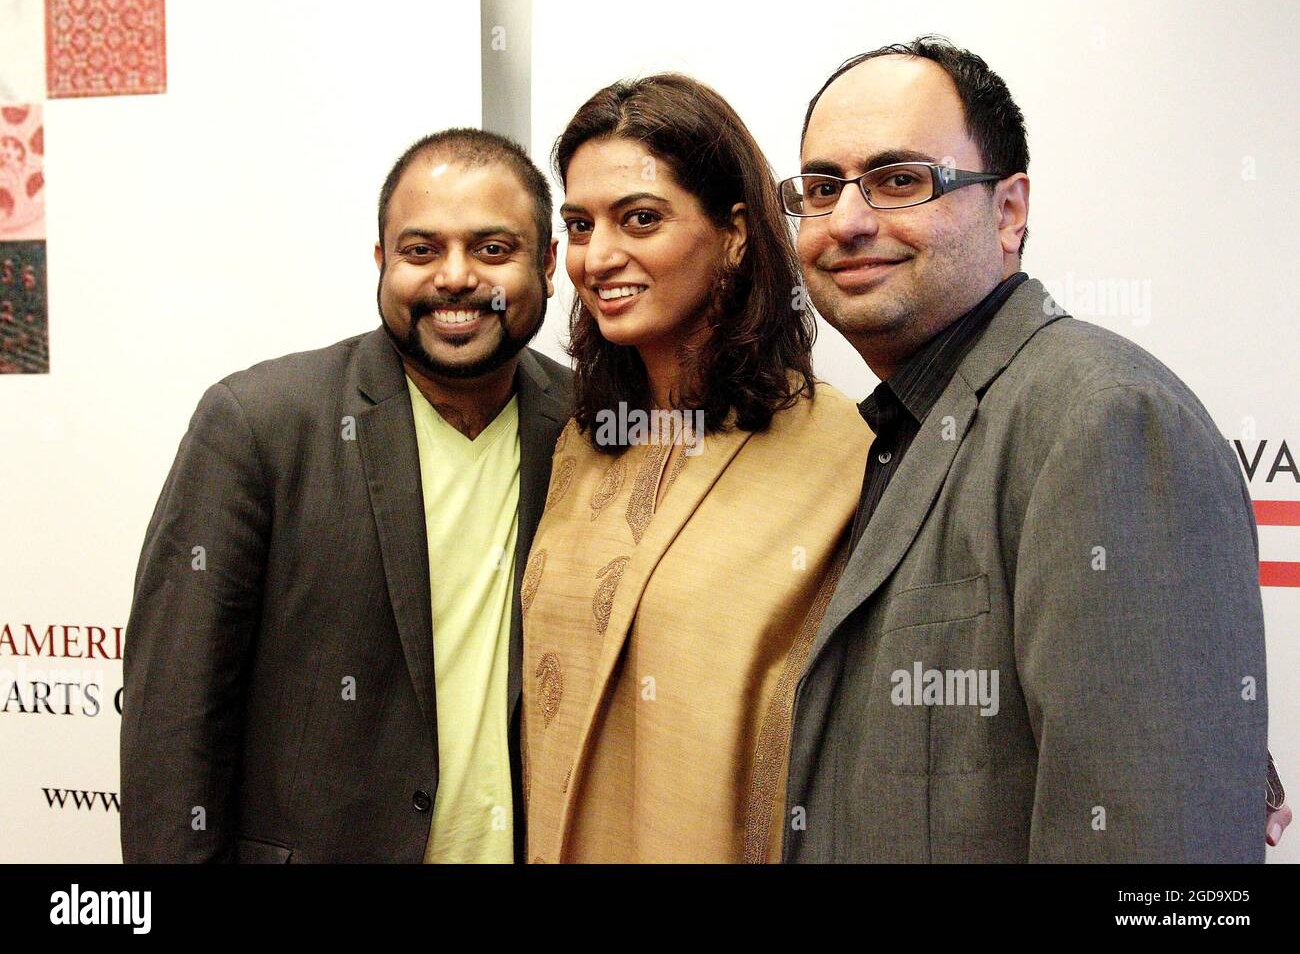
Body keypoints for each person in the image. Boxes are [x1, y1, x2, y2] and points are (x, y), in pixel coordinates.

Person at [780, 36, 1279, 862]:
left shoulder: (1106, 420)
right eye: (822, 187)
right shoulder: (881, 435)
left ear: (1009, 210)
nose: (848, 222)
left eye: (900, 180)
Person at [120, 129, 572, 863]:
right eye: (420, 251)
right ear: (381, 262)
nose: (454, 278)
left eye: (493, 250)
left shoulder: (585, 426)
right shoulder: (259, 422)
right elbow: (175, 720)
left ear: (548, 263)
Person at [521, 74, 869, 863]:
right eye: (579, 224)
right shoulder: (579, 444)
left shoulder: (842, 454)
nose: (598, 256)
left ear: (737, 233)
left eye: (640, 219)